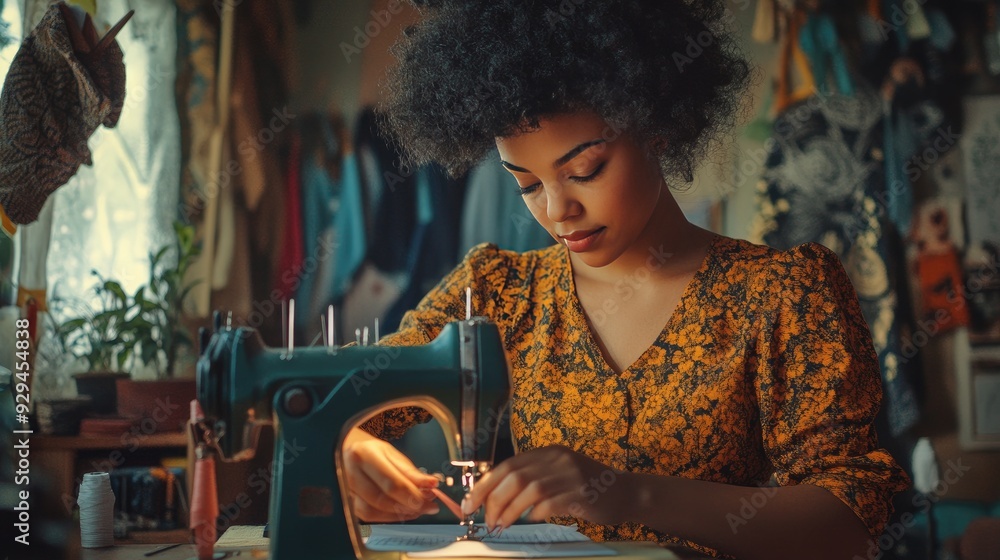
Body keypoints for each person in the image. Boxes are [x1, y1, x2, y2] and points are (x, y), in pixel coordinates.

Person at [341, 1, 909, 558]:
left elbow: (849, 521)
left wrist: (628, 493)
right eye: (527, 185)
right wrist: (349, 446)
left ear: (655, 129)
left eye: (585, 171)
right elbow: (347, 397)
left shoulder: (784, 292)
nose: (557, 211)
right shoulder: (497, 290)